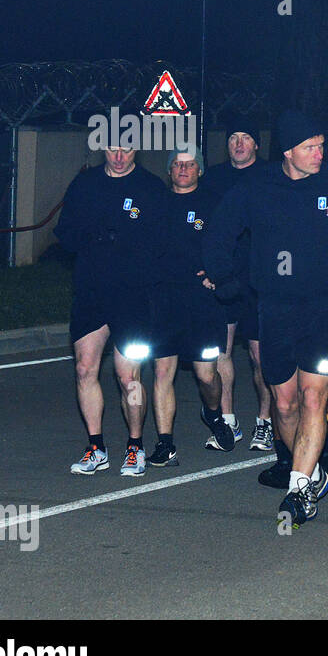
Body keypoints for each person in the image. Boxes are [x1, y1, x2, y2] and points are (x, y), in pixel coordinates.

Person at [204, 110, 328, 526]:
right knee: (284, 405)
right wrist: (226, 281)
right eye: (310, 147)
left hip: (325, 309)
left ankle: (299, 488)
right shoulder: (256, 188)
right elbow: (219, 235)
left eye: (321, 146)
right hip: (273, 309)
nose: (319, 153)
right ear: (288, 151)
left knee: (313, 398)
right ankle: (309, 472)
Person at [55, 144, 169, 476]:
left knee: (127, 375)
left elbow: (162, 241)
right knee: (84, 368)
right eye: (113, 149)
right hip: (91, 292)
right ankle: (96, 447)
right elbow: (65, 233)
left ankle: (135, 447)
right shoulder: (85, 184)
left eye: (127, 149)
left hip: (132, 296)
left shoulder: (150, 188)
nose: (119, 156)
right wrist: (90, 234)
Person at [147, 148, 235, 467]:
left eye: (190, 164)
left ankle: (213, 415)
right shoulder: (157, 204)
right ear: (170, 171)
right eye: (177, 164)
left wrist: (219, 275)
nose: (183, 169)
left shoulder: (214, 204)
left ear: (200, 169)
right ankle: (165, 443)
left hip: (203, 302)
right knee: (161, 371)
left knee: (206, 375)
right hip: (164, 301)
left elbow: (232, 246)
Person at [201, 117, 272, 452]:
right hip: (225, 279)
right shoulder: (214, 178)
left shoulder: (270, 177)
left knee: (261, 357)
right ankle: (228, 423)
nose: (239, 144)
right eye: (234, 137)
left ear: (257, 144)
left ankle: (265, 422)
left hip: (260, 280)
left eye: (246, 137)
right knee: (221, 352)